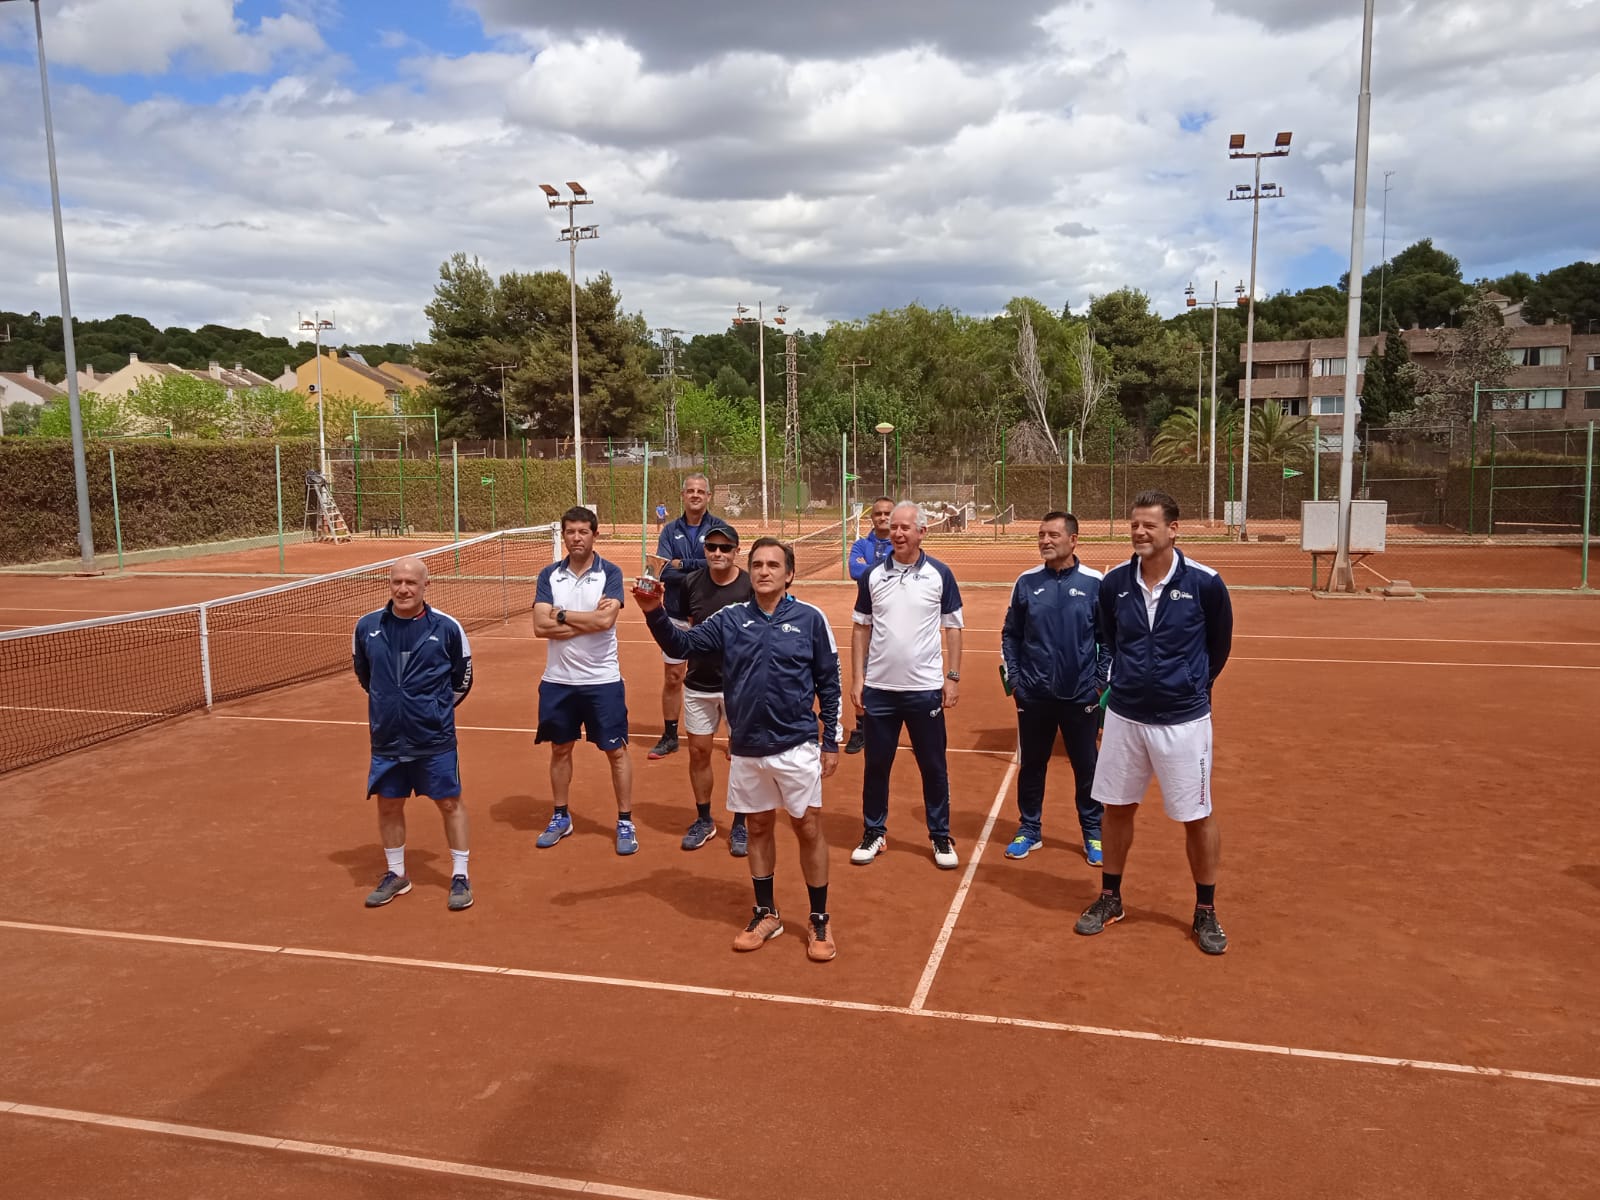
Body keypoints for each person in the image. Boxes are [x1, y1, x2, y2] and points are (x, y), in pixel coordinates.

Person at [636, 536, 843, 961]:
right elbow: (682, 646)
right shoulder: (730, 619)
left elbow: (829, 681)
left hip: (796, 745)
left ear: (789, 574)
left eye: (773, 565)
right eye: (759, 564)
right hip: (747, 747)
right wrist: (654, 612)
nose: (765, 571)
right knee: (760, 828)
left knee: (807, 828)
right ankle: (766, 913)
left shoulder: (810, 618)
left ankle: (819, 919)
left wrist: (831, 741)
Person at [1075, 490, 1234, 956]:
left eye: (1149, 525)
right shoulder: (1115, 583)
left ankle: (1205, 909)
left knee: (1196, 814)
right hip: (1125, 715)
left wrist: (1191, 684)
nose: (1140, 533)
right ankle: (1110, 897)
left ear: (1173, 529)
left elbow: (1218, 646)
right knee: (1116, 807)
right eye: (1134, 525)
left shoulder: (1205, 583)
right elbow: (1109, 636)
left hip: (1183, 721)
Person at [352, 556, 476, 912]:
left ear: (425, 586)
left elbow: (462, 679)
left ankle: (460, 875)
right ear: (389, 584)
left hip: (434, 737)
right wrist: (391, 705)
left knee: (449, 802)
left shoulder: (447, 628)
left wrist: (432, 710)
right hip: (387, 738)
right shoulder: (367, 627)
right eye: (397, 582)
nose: (403, 589)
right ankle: (396, 873)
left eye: (411, 583)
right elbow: (365, 675)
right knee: (388, 804)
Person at [849, 501, 964, 870]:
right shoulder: (872, 578)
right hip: (880, 690)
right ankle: (874, 831)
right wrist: (857, 679)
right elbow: (860, 627)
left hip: (925, 689)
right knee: (876, 765)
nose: (896, 533)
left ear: (921, 532)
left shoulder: (940, 574)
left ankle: (940, 835)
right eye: (893, 527)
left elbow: (953, 627)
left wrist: (953, 677)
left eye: (904, 527)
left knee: (933, 765)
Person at [1000, 512, 1109, 866]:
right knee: (1032, 764)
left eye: (1053, 535)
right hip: (1033, 695)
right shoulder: (1026, 582)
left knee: (1086, 767)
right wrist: (1016, 682)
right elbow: (1010, 635)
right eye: (1041, 535)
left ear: (1073, 540)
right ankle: (1029, 829)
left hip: (1081, 697)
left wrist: (1098, 685)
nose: (1045, 541)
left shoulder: (1095, 584)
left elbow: (1108, 640)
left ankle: (1093, 832)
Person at [531, 505, 638, 855]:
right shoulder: (549, 575)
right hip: (558, 681)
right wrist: (586, 618)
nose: (576, 538)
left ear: (595, 534)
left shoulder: (611, 572)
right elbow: (539, 626)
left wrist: (560, 615)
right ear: (563, 535)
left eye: (583, 531)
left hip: (602, 680)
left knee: (615, 751)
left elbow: (604, 624)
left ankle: (624, 821)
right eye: (570, 532)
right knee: (560, 749)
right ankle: (561, 816)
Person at [677, 522, 755, 857]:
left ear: (737, 551)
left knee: (741, 757)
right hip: (698, 683)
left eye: (725, 548)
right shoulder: (690, 583)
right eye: (712, 548)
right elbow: (682, 630)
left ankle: (740, 823)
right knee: (698, 752)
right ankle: (705, 819)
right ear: (704, 551)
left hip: (740, 686)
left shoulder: (751, 585)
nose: (718, 554)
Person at [650, 473, 716, 761]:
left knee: (725, 676)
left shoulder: (720, 528)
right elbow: (663, 570)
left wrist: (685, 564)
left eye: (700, 491)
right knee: (674, 676)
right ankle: (670, 735)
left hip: (711, 617)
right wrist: (699, 567)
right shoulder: (669, 532)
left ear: (708, 496)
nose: (695, 495)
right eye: (690, 490)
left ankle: (736, 735)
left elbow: (721, 563)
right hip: (675, 615)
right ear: (682, 495)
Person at [843, 496, 896, 754]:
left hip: (895, 623)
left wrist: (871, 568)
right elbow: (854, 570)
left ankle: (892, 725)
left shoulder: (900, 544)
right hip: (867, 620)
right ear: (872, 517)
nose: (883, 517)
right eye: (878, 513)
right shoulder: (860, 544)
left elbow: (896, 571)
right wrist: (883, 568)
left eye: (888, 513)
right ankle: (862, 728)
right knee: (862, 673)